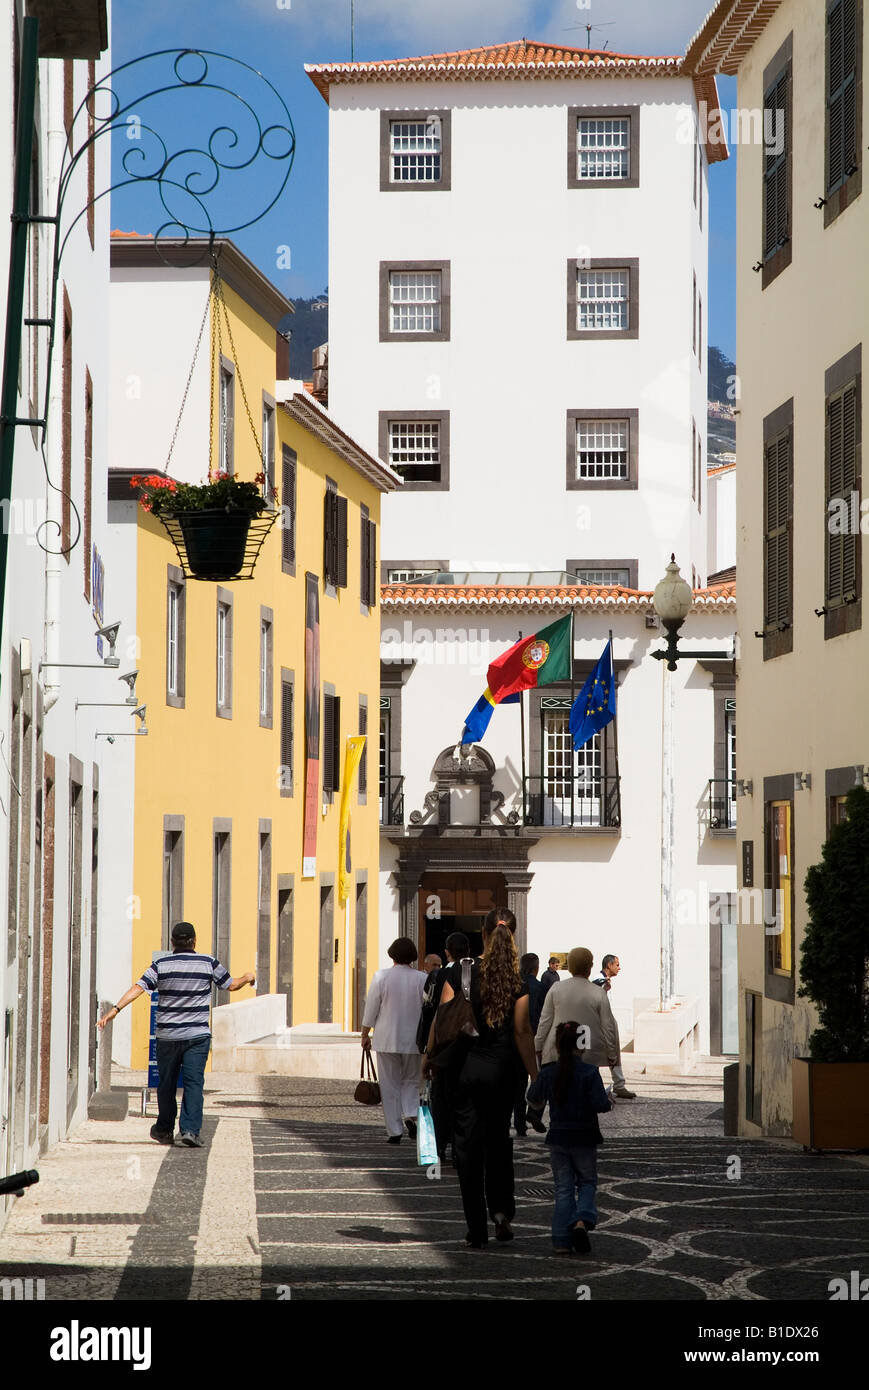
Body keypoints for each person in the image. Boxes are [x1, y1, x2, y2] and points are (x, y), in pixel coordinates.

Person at [423, 907, 538, 1250]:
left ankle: (476, 1229)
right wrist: (536, 1074)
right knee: (498, 1142)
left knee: (467, 1148)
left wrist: (428, 1060)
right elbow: (521, 1032)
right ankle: (501, 1213)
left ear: (483, 934)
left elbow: (442, 1023)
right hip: (503, 1073)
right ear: (512, 936)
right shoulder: (517, 981)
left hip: (464, 1072)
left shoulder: (459, 972)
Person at [98, 921, 255, 1147]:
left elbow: (138, 987)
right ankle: (190, 1131)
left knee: (167, 1084)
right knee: (193, 1083)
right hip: (197, 1036)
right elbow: (231, 985)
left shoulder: (161, 964)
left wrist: (115, 1010)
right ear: (194, 941)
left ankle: (163, 1130)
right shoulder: (207, 962)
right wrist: (247, 977)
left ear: (172, 942)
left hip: (168, 1037)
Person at [527, 1020, 612, 1255]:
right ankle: (582, 1221)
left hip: (558, 1137)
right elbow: (600, 1104)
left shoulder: (549, 1072)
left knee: (563, 1188)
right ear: (581, 1045)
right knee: (587, 1182)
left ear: (557, 1044)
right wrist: (608, 1099)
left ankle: (561, 1241)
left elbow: (532, 1097)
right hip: (585, 1136)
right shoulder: (589, 1072)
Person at [361, 937, 426, 1143]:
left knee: (389, 1084)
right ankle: (411, 1115)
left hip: (386, 1038)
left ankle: (394, 1131)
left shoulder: (381, 977)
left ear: (392, 955)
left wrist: (365, 1034)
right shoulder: (422, 978)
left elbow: (371, 1007)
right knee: (411, 1081)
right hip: (414, 1040)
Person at [418, 932, 470, 1158]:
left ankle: (438, 1146)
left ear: (447, 952)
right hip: (468, 1043)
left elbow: (432, 1011)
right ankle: (461, 1148)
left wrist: (428, 1050)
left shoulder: (441, 975)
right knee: (463, 1100)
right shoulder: (474, 971)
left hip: (442, 1043)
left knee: (441, 1097)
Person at [534, 947, 619, 1074]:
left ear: (570, 967)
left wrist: (538, 1046)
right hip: (589, 1053)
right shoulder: (598, 993)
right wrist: (612, 1054)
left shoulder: (556, 988)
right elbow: (608, 1026)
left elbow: (545, 1021)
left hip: (558, 1050)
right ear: (590, 966)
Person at [592, 954, 637, 1099]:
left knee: (614, 1053)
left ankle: (619, 1084)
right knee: (596, 1055)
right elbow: (595, 984)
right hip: (600, 1023)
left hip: (607, 1021)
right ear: (609, 965)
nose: (619, 967)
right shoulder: (600, 979)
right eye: (617, 964)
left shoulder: (606, 981)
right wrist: (604, 983)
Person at [513, 953, 545, 1137]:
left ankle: (519, 1123)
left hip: (516, 1038)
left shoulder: (514, 984)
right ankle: (533, 1111)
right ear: (536, 968)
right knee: (537, 1077)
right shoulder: (540, 987)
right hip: (535, 1038)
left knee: (517, 1081)